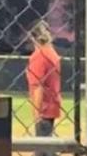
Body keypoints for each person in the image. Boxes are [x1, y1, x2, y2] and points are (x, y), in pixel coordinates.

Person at [27, 20, 62, 155]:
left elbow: (38, 87)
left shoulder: (38, 56)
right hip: (53, 104)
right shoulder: (52, 54)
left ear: (33, 38)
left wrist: (37, 113)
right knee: (47, 146)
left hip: (44, 107)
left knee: (41, 149)